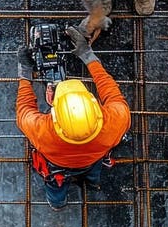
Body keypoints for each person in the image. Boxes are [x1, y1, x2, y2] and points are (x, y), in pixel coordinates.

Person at [16, 27, 131, 210]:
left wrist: (25, 74)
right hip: (93, 160)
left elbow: (24, 109)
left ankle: (57, 203)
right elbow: (110, 90)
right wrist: (87, 55)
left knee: (56, 185)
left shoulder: (43, 132)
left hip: (57, 166)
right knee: (93, 171)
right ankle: (92, 183)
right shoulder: (115, 122)